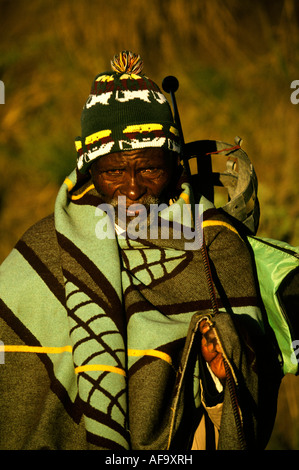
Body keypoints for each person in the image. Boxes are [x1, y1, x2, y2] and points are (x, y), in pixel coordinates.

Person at [0, 51, 282, 450]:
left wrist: (221, 375)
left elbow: (254, 382)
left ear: (175, 165)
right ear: (88, 168)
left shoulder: (215, 243)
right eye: (114, 171)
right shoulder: (45, 249)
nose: (132, 190)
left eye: (150, 169)